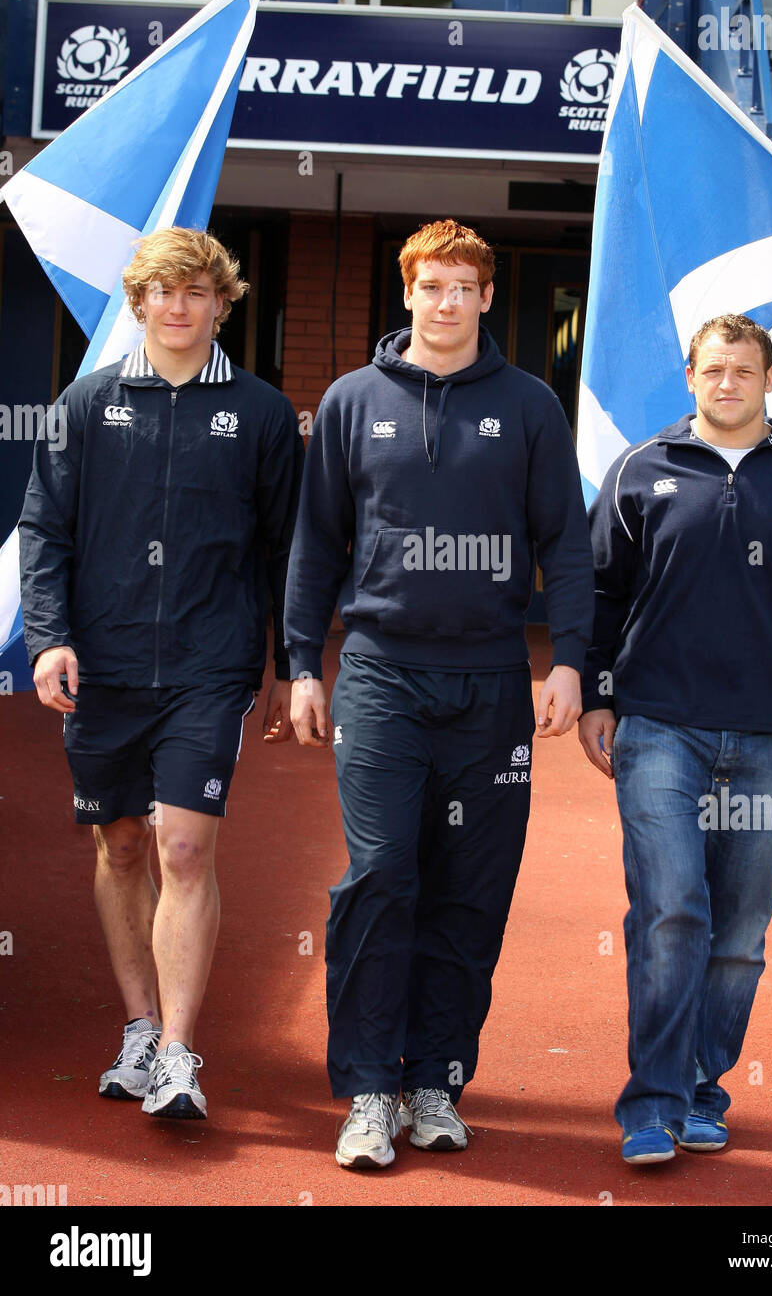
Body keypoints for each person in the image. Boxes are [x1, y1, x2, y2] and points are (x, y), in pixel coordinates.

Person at [285, 218, 594, 1169]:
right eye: (431, 285)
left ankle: (435, 1081)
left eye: (465, 285)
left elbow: (566, 546)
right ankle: (370, 1089)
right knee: (380, 875)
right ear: (407, 291)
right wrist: (302, 663)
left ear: (488, 297)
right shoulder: (350, 400)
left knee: (471, 887)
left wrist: (572, 660)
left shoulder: (532, 406)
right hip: (379, 674)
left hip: (492, 679)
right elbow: (313, 542)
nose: (447, 300)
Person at [578, 312, 772, 1165]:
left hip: (764, 734)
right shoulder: (642, 470)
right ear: (691, 377)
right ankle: (651, 1103)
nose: (727, 383)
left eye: (743, 371)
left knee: (740, 933)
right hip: (656, 729)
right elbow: (596, 594)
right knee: (671, 909)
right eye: (713, 369)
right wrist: (597, 694)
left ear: (764, 381)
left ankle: (702, 1085)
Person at [19, 227, 302, 1122]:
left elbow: (285, 550)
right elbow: (45, 531)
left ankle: (180, 1053)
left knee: (183, 846)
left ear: (223, 303)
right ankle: (138, 1029)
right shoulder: (86, 401)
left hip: (208, 666)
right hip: (101, 664)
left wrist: (290, 666)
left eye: (196, 293)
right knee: (122, 845)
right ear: (139, 302)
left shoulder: (260, 414)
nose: (178, 308)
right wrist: (48, 639)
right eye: (162, 293)